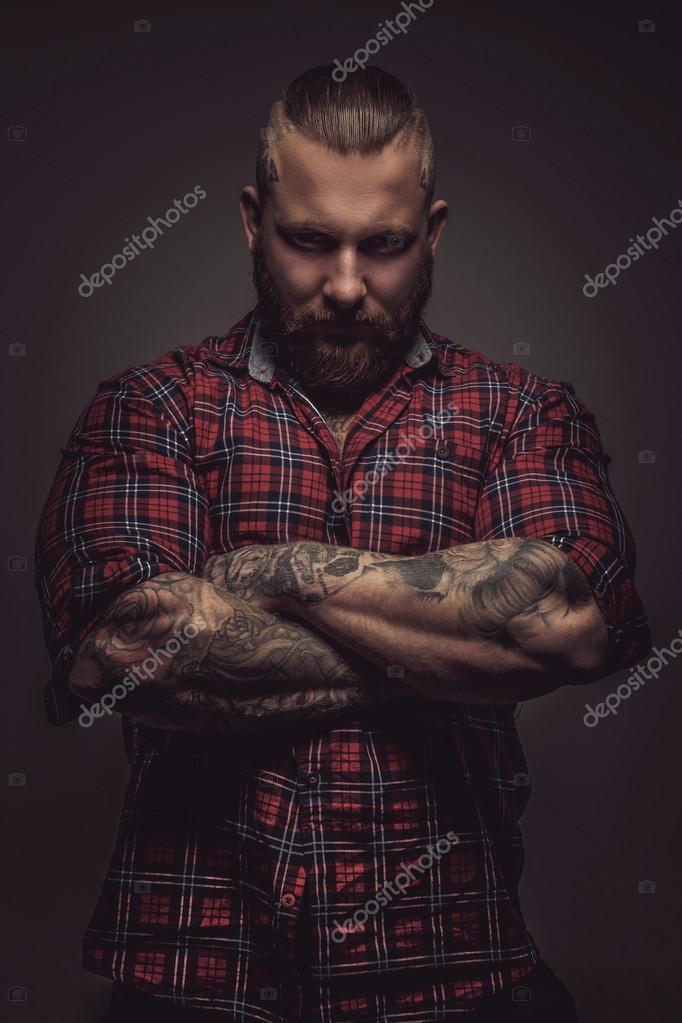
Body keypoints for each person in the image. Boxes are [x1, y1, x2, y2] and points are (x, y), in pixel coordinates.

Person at [35, 64, 652, 1022]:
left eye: (387, 245)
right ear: (253, 222)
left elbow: (565, 623)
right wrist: (451, 650)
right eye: (310, 241)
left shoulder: (524, 411)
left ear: (433, 233)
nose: (348, 285)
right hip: (197, 979)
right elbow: (124, 652)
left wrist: (260, 575)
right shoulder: (149, 406)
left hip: (457, 967)